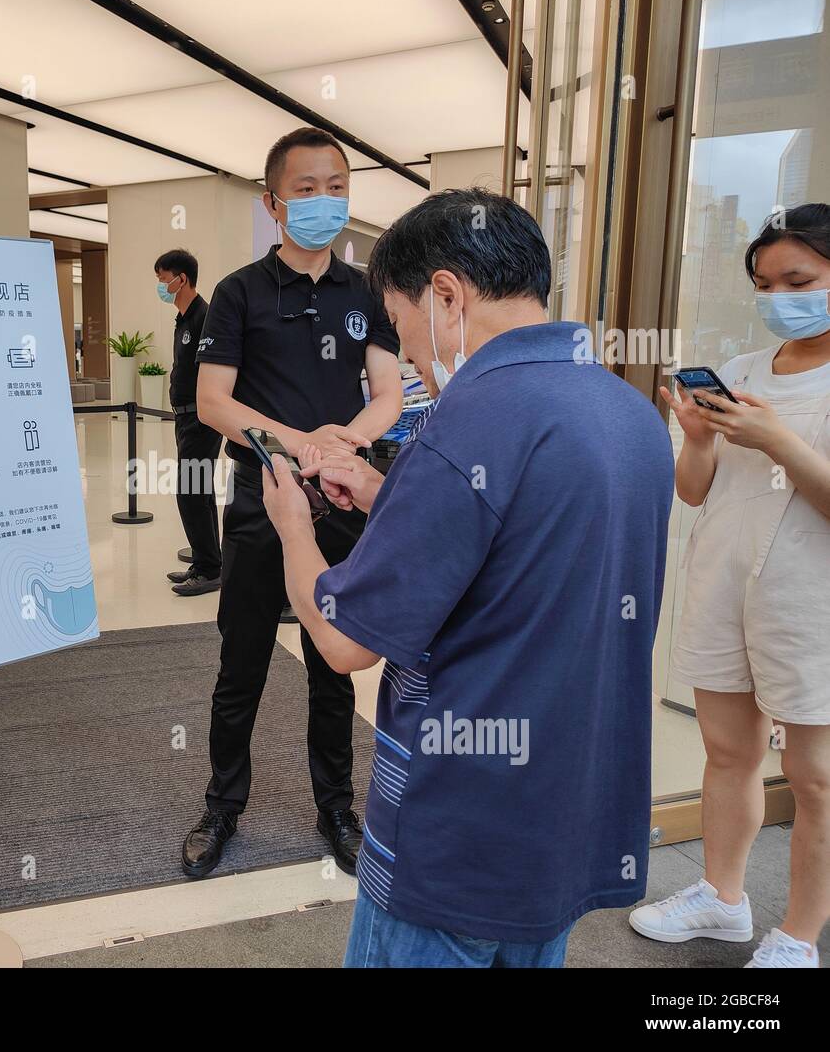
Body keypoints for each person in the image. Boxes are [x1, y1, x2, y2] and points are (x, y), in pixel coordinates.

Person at [261, 188, 675, 967]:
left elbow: (345, 641)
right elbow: (525, 542)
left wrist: (292, 527)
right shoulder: (631, 414)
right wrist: (393, 494)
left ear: (447, 294)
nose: (414, 360)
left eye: (408, 333)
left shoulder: (470, 418)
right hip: (561, 817)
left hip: (455, 832)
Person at [179, 127, 404, 878]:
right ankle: (222, 804)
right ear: (273, 202)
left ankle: (337, 806)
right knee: (240, 662)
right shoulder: (240, 292)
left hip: (342, 501)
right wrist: (301, 444)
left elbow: (389, 395)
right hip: (261, 502)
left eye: (336, 185)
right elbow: (214, 402)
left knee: (332, 665)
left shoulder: (368, 289)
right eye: (306, 189)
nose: (324, 200)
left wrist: (338, 448)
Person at [631, 203, 830, 969]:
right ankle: (722, 895)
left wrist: (776, 437)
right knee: (727, 751)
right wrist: (698, 435)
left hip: (809, 603)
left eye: (799, 280)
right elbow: (694, 490)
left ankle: (800, 933)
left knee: (814, 777)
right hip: (723, 585)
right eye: (766, 283)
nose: (780, 297)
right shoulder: (744, 371)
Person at [155, 249, 222, 597]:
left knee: (190, 493)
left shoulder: (203, 318)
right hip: (186, 419)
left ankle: (210, 568)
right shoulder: (183, 318)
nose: (161, 286)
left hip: (200, 419)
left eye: (164, 280)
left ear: (182, 279)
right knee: (200, 492)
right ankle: (207, 560)